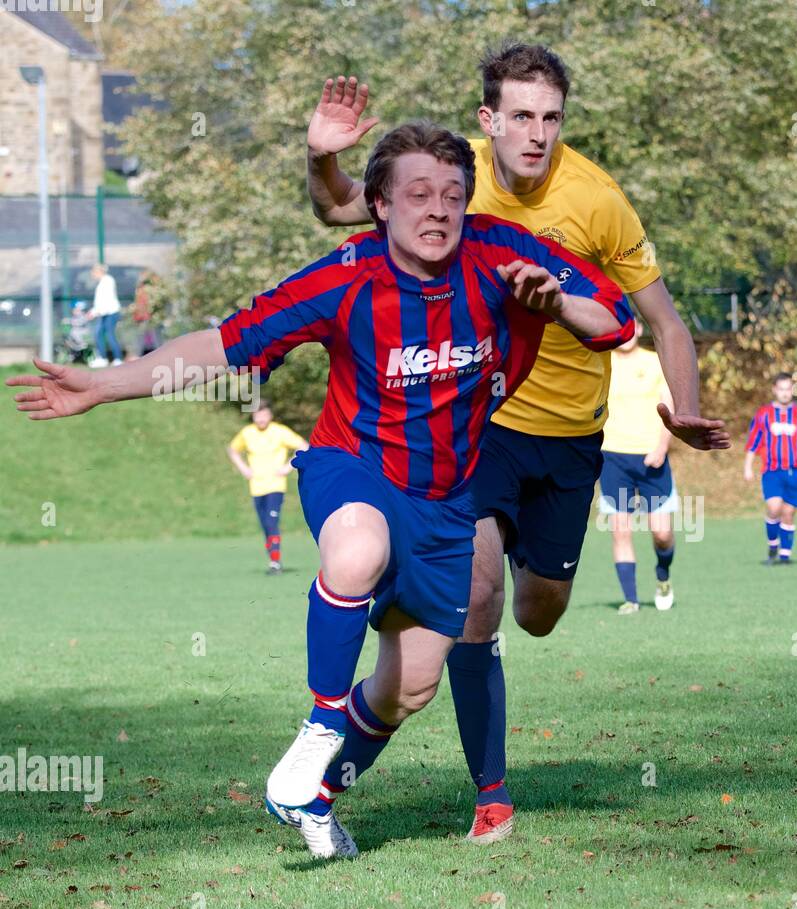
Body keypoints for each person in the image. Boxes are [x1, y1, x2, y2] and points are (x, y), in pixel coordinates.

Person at [8, 120, 634, 860]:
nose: (437, 210)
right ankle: (320, 723)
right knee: (358, 548)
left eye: (453, 196)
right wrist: (102, 385)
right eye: (418, 194)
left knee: (410, 688)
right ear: (378, 204)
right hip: (353, 466)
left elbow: (615, 318)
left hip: (447, 501)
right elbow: (224, 345)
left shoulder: (505, 253)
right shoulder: (345, 275)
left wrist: (553, 303)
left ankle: (312, 793)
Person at [304, 47, 729, 844]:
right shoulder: (448, 178)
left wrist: (686, 409)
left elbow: (662, 322)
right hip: (481, 420)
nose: (537, 134)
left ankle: (379, 666)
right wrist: (321, 153)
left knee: (538, 612)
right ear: (487, 120)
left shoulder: (598, 201)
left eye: (552, 117)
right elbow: (337, 210)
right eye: (522, 116)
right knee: (478, 595)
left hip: (571, 435)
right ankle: (490, 793)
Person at [598, 319, 677, 613]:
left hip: (650, 457)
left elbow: (670, 410)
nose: (627, 334)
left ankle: (663, 574)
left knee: (662, 533)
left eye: (632, 327)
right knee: (620, 530)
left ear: (640, 330)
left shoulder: (656, 362)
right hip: (613, 457)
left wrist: (662, 447)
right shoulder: (601, 363)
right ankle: (630, 599)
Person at [227, 404, 310, 573]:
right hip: (256, 486)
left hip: (275, 486)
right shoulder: (247, 433)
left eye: (264, 414)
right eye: (257, 415)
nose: (261, 418)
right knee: (265, 525)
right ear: (253, 416)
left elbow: (304, 446)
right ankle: (273, 560)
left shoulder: (279, 431)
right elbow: (232, 450)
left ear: (270, 415)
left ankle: (275, 563)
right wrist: (244, 469)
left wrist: (288, 467)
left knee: (272, 523)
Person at [743, 373, 797, 564]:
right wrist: (748, 466)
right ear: (775, 390)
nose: (785, 393)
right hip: (772, 470)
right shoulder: (764, 414)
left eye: (788, 389)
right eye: (781, 389)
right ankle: (772, 544)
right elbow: (754, 441)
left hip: (795, 471)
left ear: (793, 390)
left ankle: (785, 555)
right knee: (774, 508)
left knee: (789, 513)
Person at [88, 263, 124, 367]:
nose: (92, 275)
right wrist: (93, 311)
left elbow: (107, 300)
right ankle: (102, 358)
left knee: (109, 335)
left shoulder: (108, 281)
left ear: (99, 272)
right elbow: (99, 302)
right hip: (103, 313)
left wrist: (95, 313)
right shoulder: (102, 282)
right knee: (98, 334)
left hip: (110, 313)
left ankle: (118, 359)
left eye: (93, 272)